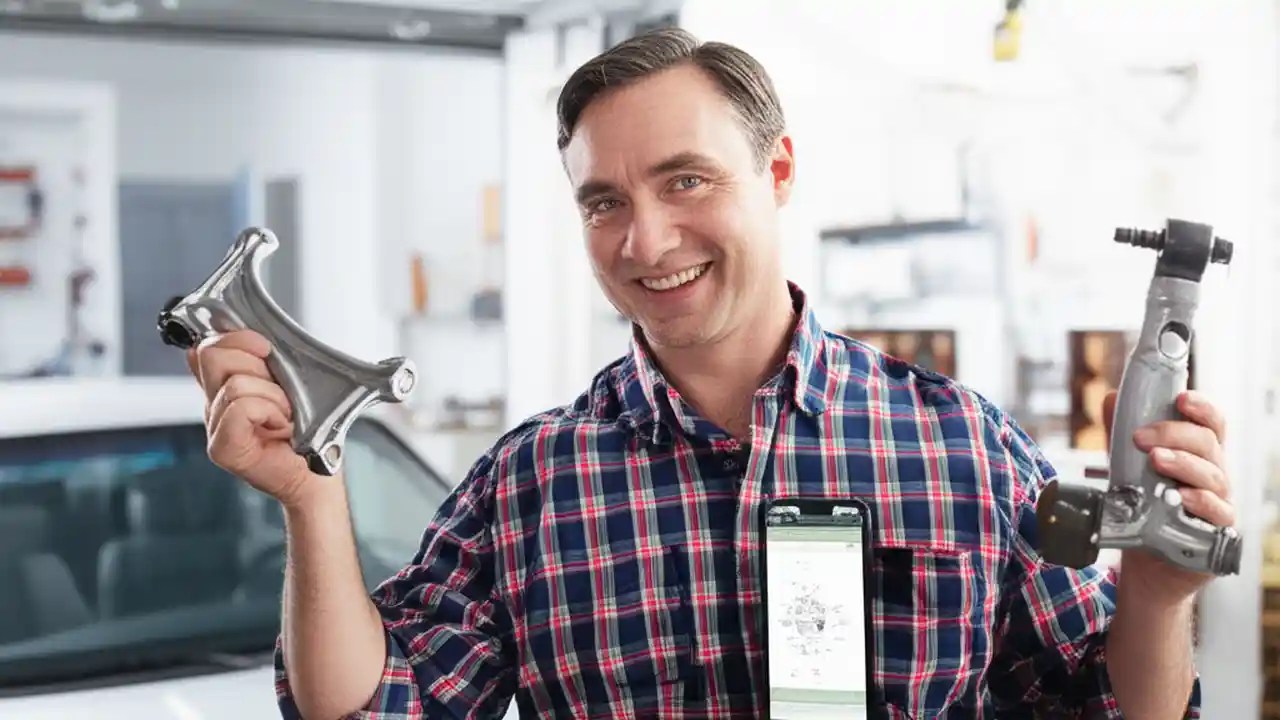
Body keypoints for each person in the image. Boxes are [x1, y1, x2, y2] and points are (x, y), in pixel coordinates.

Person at [186, 27, 1234, 719]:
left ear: (775, 172)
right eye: (603, 202)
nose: (644, 241)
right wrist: (312, 503)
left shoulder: (960, 444)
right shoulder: (529, 484)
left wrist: (1150, 600)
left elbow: (1097, 706)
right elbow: (374, 708)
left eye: (683, 179)